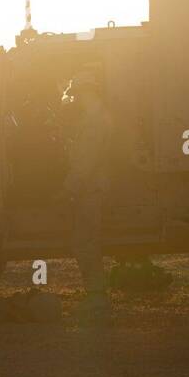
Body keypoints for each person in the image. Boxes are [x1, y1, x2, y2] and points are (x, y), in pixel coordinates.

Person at [61, 66, 113, 323]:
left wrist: (66, 189)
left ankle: (97, 298)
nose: (75, 100)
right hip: (90, 188)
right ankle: (96, 296)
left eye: (77, 94)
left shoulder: (94, 122)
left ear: (86, 92)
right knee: (87, 242)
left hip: (89, 190)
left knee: (87, 243)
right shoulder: (95, 118)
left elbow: (85, 163)